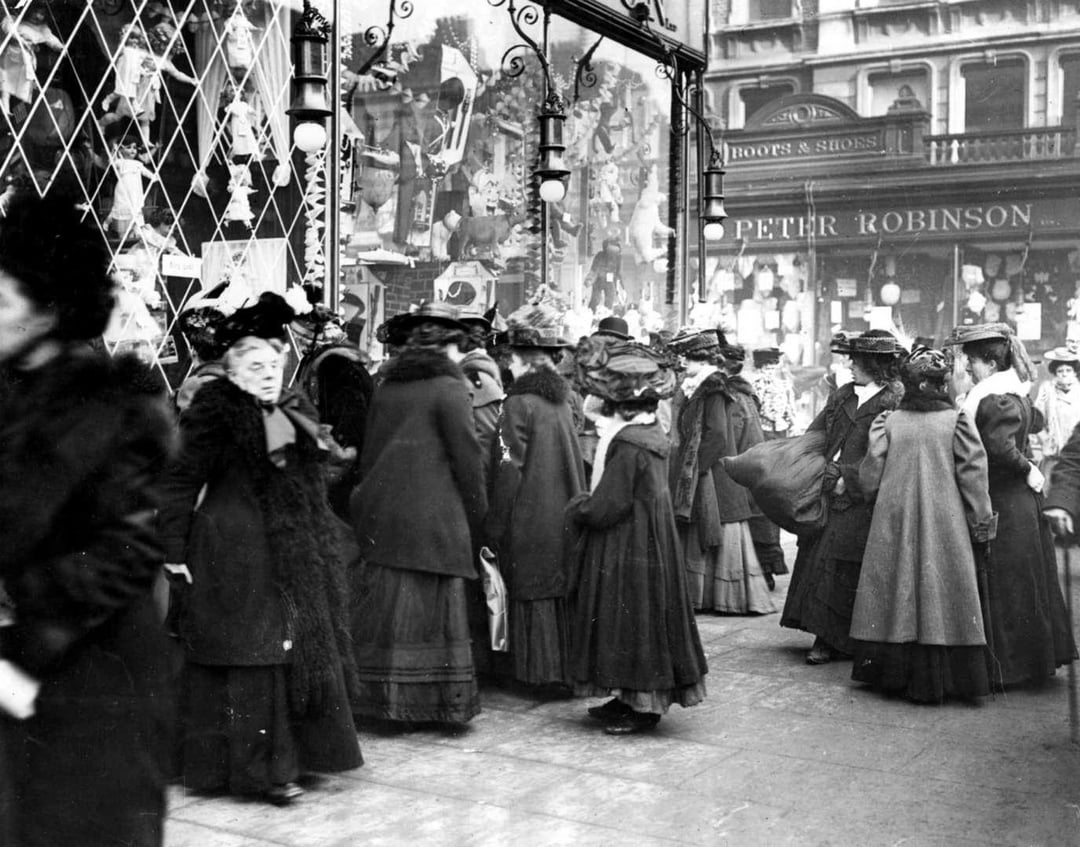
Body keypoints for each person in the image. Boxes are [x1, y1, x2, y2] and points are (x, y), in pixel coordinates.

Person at [0, 191, 174, 846]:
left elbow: (126, 550)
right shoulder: (17, 394)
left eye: (3, 302)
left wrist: (28, 645)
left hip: (92, 677)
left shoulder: (109, 407)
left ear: (48, 311)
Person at [160, 293, 362, 805]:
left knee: (289, 647)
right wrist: (173, 549)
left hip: (290, 545)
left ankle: (294, 760)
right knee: (252, 654)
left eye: (275, 363)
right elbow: (182, 480)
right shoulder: (215, 411)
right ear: (232, 372)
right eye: (255, 366)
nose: (269, 372)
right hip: (235, 549)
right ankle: (259, 773)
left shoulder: (289, 409)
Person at [350, 302, 486, 725]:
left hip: (385, 513)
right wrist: (479, 514)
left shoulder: (388, 387)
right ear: (450, 343)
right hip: (434, 518)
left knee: (389, 614)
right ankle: (432, 706)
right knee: (434, 614)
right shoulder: (450, 388)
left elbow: (370, 452)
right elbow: (468, 458)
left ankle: (384, 704)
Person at [566, 341, 708, 734]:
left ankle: (641, 704)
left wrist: (579, 506)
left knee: (632, 621)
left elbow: (606, 506)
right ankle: (629, 698)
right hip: (650, 542)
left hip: (629, 545)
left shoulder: (629, 446)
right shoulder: (649, 435)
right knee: (640, 619)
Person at [849, 346, 998, 703]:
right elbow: (974, 479)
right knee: (942, 592)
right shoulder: (957, 421)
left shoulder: (888, 421)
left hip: (893, 520)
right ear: (943, 383)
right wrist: (982, 524)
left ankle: (893, 676)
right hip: (945, 523)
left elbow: (870, 478)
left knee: (896, 589)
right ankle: (943, 680)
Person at [946, 323, 1076, 687]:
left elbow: (1000, 449)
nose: (967, 369)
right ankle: (1028, 664)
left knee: (1009, 582)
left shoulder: (993, 398)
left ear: (988, 361)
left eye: (971, 362)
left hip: (1006, 498)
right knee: (1022, 582)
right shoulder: (1007, 392)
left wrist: (1027, 468)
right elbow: (1032, 423)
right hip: (1017, 499)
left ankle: (1013, 667)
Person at [781, 329, 904, 664]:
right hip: (829, 486)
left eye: (857, 359)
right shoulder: (844, 394)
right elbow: (817, 433)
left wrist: (849, 481)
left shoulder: (894, 400)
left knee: (847, 566)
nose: (850, 364)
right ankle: (822, 632)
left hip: (865, 496)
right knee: (820, 559)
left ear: (875, 364)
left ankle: (836, 639)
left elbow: (887, 454)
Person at [486, 307, 587, 691]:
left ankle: (537, 674)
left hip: (529, 514)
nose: (506, 367)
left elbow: (509, 464)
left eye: (508, 359)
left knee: (530, 589)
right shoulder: (560, 401)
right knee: (555, 588)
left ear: (520, 361)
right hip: (560, 510)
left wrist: (496, 521)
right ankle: (561, 670)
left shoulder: (516, 404)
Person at [669, 329, 775, 614]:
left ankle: (726, 598)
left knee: (717, 528)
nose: (681, 364)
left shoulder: (713, 389)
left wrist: (694, 470)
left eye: (685, 359)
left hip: (714, 475)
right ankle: (707, 597)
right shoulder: (702, 386)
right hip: (708, 472)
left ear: (699, 358)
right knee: (706, 530)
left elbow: (716, 436)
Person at [1032, 347, 1080, 488]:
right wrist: (1046, 440)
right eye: (1060, 371)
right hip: (1054, 456)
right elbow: (1036, 422)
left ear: (1075, 372)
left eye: (1068, 370)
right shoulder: (1048, 391)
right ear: (1054, 373)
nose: (1064, 374)